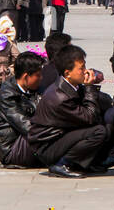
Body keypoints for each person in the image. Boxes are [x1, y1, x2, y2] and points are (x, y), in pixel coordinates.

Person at [30, 45, 109, 178]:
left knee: (109, 121)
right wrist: (89, 88)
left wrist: (91, 86)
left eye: (85, 66)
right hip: (48, 146)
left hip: (62, 136)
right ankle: (63, 164)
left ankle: (88, 162)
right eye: (81, 69)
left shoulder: (72, 86)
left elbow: (106, 103)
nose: (85, 71)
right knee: (98, 131)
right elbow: (90, 117)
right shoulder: (59, 96)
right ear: (67, 73)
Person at [0, 52, 46, 168]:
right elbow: (27, 126)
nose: (41, 78)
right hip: (12, 149)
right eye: (38, 75)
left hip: (26, 139)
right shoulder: (8, 95)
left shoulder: (35, 89)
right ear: (26, 76)